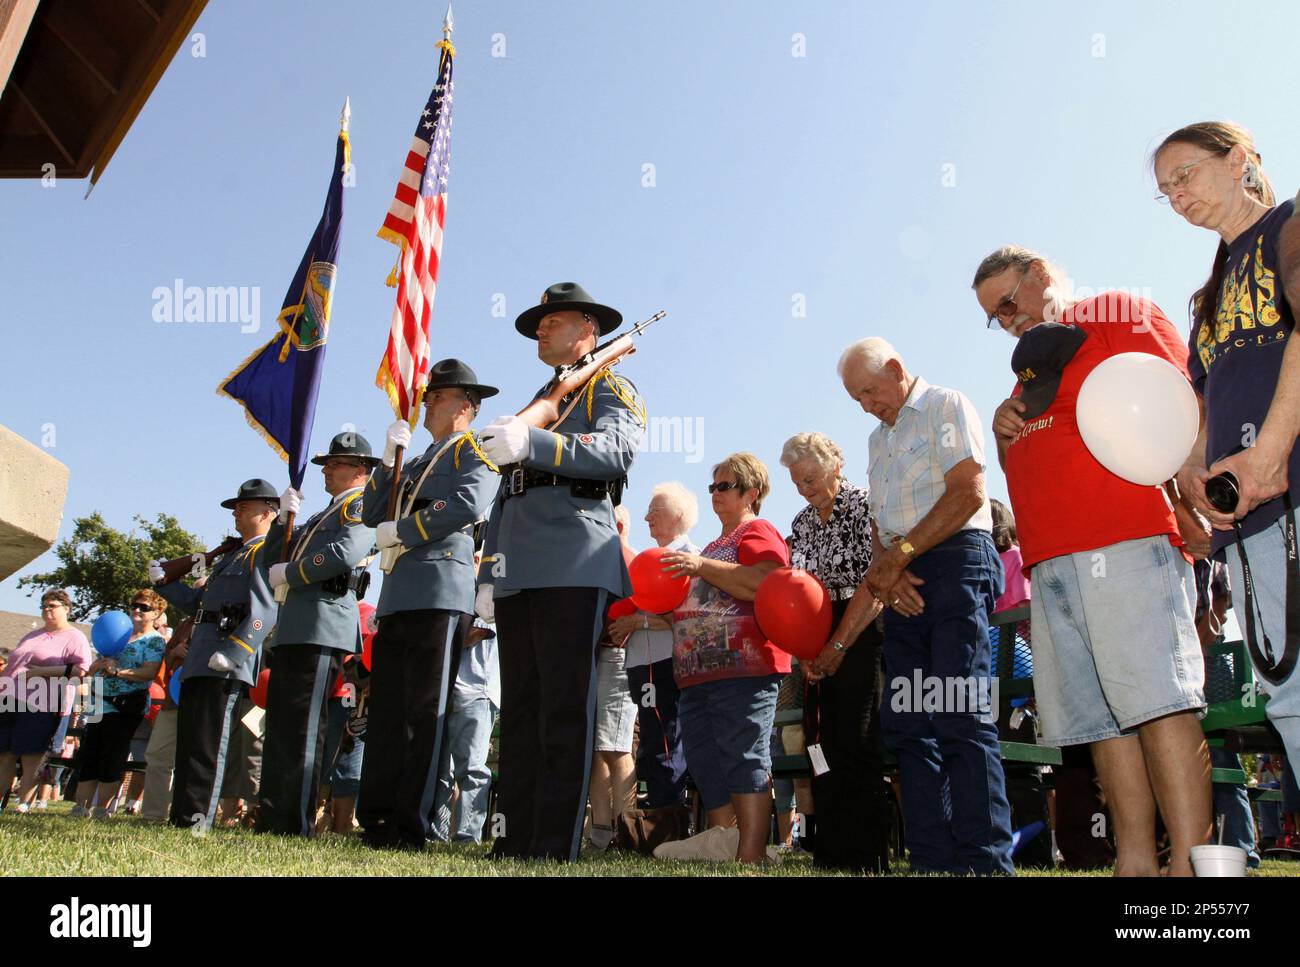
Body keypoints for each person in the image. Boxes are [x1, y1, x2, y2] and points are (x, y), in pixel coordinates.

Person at [972, 245, 1214, 876]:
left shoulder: (1116, 313)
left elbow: (1184, 396)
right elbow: (1041, 460)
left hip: (1128, 539)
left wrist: (1196, 496)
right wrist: (1006, 441)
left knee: (1160, 701)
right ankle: (1132, 862)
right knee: (1104, 720)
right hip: (1050, 563)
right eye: (992, 316)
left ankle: (1191, 866)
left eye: (1007, 302)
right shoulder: (1030, 372)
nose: (1005, 321)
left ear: (1042, 275)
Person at [477, 282, 645, 862]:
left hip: (575, 557)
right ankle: (514, 839)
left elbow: (613, 452)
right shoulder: (543, 396)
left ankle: (552, 843)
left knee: (564, 707)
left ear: (588, 329)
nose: (541, 329)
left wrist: (535, 442)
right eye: (539, 322)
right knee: (521, 706)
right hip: (520, 563)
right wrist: (488, 572)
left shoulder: (609, 385)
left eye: (553, 320)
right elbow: (508, 493)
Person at [834, 337, 1014, 874]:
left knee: (960, 712)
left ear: (895, 368)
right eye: (856, 399)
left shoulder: (945, 404)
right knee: (910, 724)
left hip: (956, 560)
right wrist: (887, 575)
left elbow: (968, 492)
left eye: (869, 391)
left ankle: (983, 863)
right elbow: (877, 527)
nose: (866, 405)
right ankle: (932, 861)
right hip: (901, 575)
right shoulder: (874, 440)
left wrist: (899, 558)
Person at [1153, 122, 1300, 769]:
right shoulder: (1207, 299)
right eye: (1165, 190)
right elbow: (1200, 399)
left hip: (1290, 482)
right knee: (1289, 696)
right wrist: (1190, 468)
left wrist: (1270, 452)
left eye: (1184, 174)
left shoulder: (1288, 226)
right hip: (1248, 521)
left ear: (1237, 158)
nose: (1177, 195)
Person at [362, 359, 500, 850]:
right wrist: (385, 462)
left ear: (466, 405)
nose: (426, 404)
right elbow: (370, 513)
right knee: (389, 711)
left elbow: (467, 504)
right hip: (399, 592)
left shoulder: (476, 447)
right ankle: (377, 817)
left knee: (426, 711)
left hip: (442, 588)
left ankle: (410, 822)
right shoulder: (417, 461)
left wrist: (403, 529)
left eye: (437, 397)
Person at [656, 453, 790, 865]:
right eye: (712, 486)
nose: (715, 493)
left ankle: (751, 853)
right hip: (698, 674)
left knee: (743, 753)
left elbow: (765, 583)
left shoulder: (757, 531)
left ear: (752, 493)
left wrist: (699, 565)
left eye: (724, 486)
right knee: (706, 760)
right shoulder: (714, 546)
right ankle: (721, 844)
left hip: (744, 668)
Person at [258, 432, 378, 836]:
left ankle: (294, 821)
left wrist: (292, 573)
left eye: (336, 464)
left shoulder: (360, 506)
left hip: (324, 621)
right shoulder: (319, 516)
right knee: (282, 727)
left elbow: (344, 552)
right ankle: (274, 815)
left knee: (305, 729)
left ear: (359, 470)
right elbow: (274, 557)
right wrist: (279, 523)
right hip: (295, 623)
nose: (326, 470)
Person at [781, 430, 890, 872]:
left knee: (856, 737)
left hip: (863, 623)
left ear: (836, 464)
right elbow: (799, 589)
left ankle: (864, 856)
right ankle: (830, 851)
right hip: (819, 629)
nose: (806, 490)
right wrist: (808, 648)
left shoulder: (867, 505)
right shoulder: (801, 524)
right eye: (798, 484)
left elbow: (876, 584)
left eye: (810, 478)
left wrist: (839, 644)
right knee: (819, 740)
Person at [151, 479, 278, 831]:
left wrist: (236, 651)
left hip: (225, 657)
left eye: (244, 506)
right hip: (200, 654)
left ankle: (197, 819)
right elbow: (197, 602)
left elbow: (265, 610)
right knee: (190, 744)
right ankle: (182, 816)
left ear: (268, 512)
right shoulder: (232, 554)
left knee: (209, 745)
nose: (237, 511)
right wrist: (164, 584)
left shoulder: (266, 552)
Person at [610, 482, 699, 810]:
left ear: (677, 515)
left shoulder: (688, 556)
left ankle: (667, 819)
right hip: (640, 663)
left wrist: (639, 622)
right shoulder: (643, 561)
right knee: (650, 742)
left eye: (655, 511)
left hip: (666, 662)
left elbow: (690, 619)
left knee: (665, 740)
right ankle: (657, 815)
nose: (647, 517)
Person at [72, 589, 166, 818]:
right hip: (99, 702)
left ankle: (102, 808)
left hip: (126, 706)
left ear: (156, 613)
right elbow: (99, 664)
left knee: (112, 755)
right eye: (135, 605)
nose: (137, 610)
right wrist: (96, 667)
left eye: (144, 607)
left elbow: (149, 672)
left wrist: (119, 671)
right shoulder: (120, 631)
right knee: (90, 754)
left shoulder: (154, 640)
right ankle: (80, 807)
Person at [0, 590, 91, 814]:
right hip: (10, 698)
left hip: (43, 703)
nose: (46, 609)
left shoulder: (74, 637)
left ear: (66, 608)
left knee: (32, 755)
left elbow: (81, 670)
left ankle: (24, 804)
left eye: (52, 605)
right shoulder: (32, 635)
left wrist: (43, 672)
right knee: (5, 753)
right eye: (44, 606)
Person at [587, 505, 639, 850]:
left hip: (617, 657)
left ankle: (627, 835)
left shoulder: (625, 559)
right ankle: (601, 834)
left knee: (616, 748)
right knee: (598, 749)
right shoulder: (604, 559)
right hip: (599, 657)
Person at [432, 609, 500, 844]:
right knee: (442, 772)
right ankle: (437, 833)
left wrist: (437, 640)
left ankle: (467, 837)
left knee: (471, 769)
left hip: (477, 691)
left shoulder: (485, 594)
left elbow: (473, 633)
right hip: (448, 690)